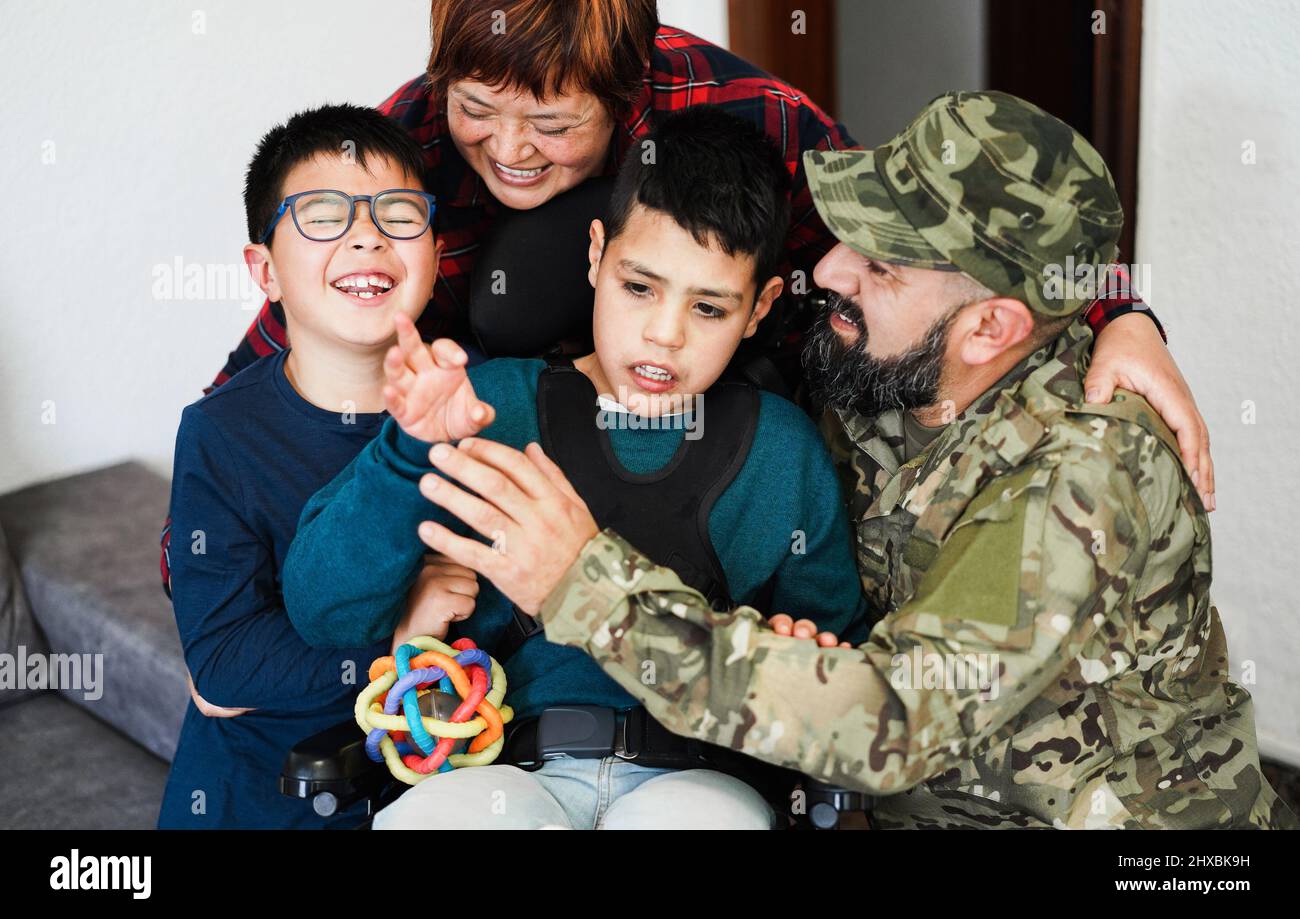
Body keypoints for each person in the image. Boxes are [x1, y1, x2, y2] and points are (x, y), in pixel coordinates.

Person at [409, 91, 1297, 829]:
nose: (828, 268)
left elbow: (893, 717)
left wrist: (581, 578)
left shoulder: (1089, 473)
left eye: (879, 262)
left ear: (991, 329)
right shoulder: (874, 364)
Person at [281, 106, 866, 829]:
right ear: (596, 257)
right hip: (507, 767)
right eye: (639, 287)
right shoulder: (488, 403)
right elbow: (321, 609)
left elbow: (840, 660)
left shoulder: (784, 451)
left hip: (699, 778)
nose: (664, 334)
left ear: (760, 309)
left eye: (709, 308)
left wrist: (800, 651)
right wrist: (409, 451)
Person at [158, 104, 446, 828]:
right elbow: (223, 662)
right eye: (323, 215)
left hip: (436, 782)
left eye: (399, 213)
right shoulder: (220, 433)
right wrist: (405, 635)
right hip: (257, 792)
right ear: (266, 272)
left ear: (437, 256)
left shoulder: (471, 404)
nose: (366, 236)